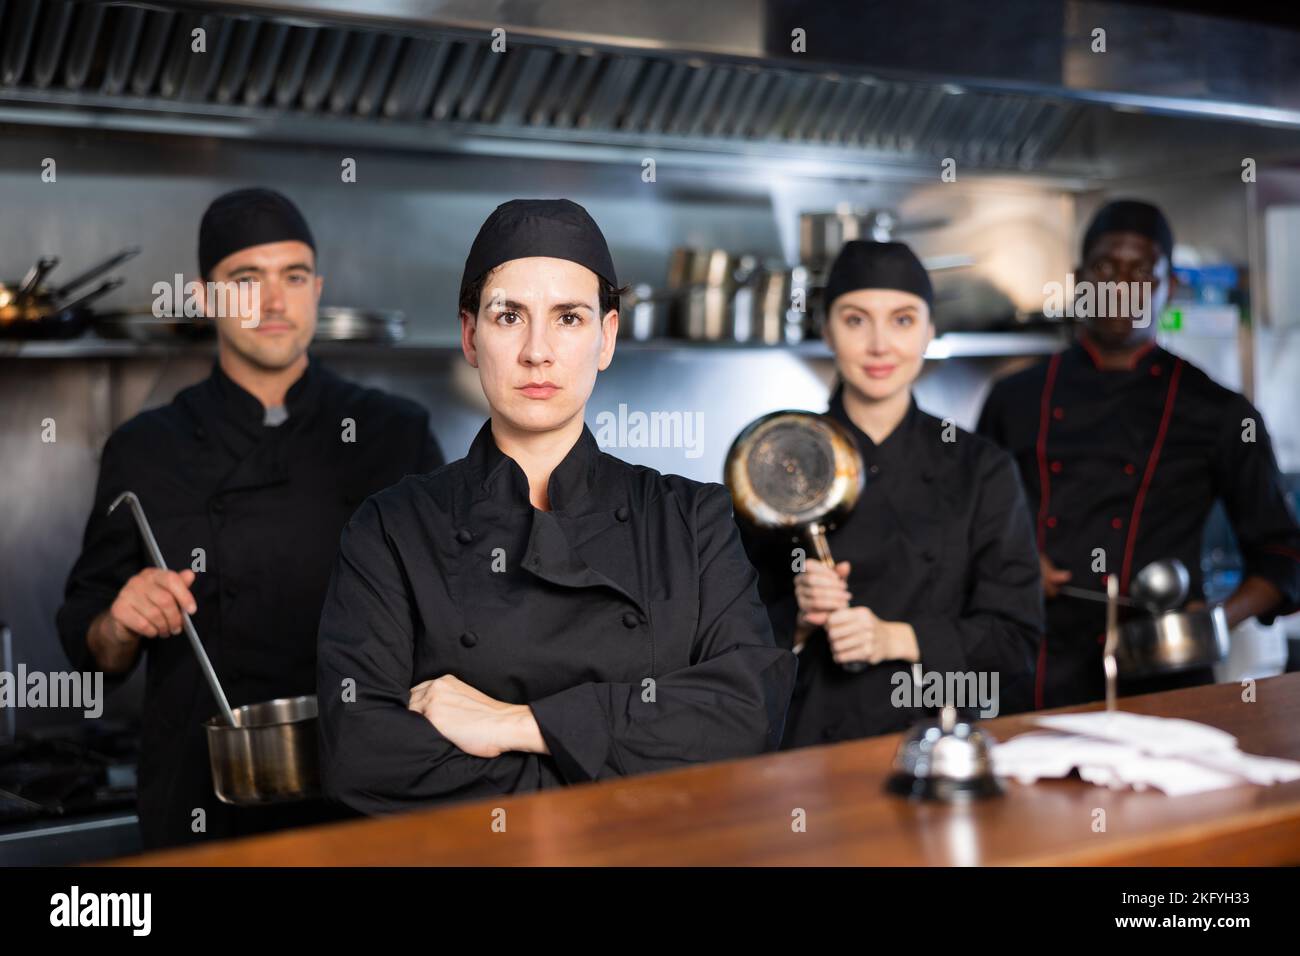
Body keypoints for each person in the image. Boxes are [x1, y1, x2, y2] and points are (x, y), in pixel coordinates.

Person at [316, 199, 796, 812]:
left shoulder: (690, 517)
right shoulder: (390, 529)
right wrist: (613, 777)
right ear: (470, 335)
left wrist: (518, 724)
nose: (536, 351)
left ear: (607, 337)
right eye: (509, 315)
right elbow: (362, 755)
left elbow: (748, 712)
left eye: (568, 317)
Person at [57, 188, 444, 849]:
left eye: (293, 277)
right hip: (204, 807)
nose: (273, 302)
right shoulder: (148, 448)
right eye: (246, 279)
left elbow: (457, 617)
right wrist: (121, 620)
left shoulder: (393, 435)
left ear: (316, 290)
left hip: (366, 800)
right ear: (206, 298)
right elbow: (92, 650)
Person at [978, 199, 1300, 708]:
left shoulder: (1219, 412)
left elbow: (1284, 556)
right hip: (1032, 667)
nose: (1122, 286)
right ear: (1080, 280)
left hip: (1161, 673)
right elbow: (972, 527)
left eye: (1143, 271)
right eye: (1106, 268)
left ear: (1169, 287)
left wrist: (1214, 618)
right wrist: (1013, 562)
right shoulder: (1014, 398)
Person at [739, 240, 1042, 747]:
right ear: (827, 330)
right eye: (856, 320)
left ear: (929, 330)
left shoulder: (981, 468)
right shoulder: (774, 461)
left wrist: (896, 638)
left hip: (938, 741)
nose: (880, 345)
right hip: (806, 747)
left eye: (902, 320)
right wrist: (797, 621)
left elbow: (1016, 642)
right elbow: (723, 648)